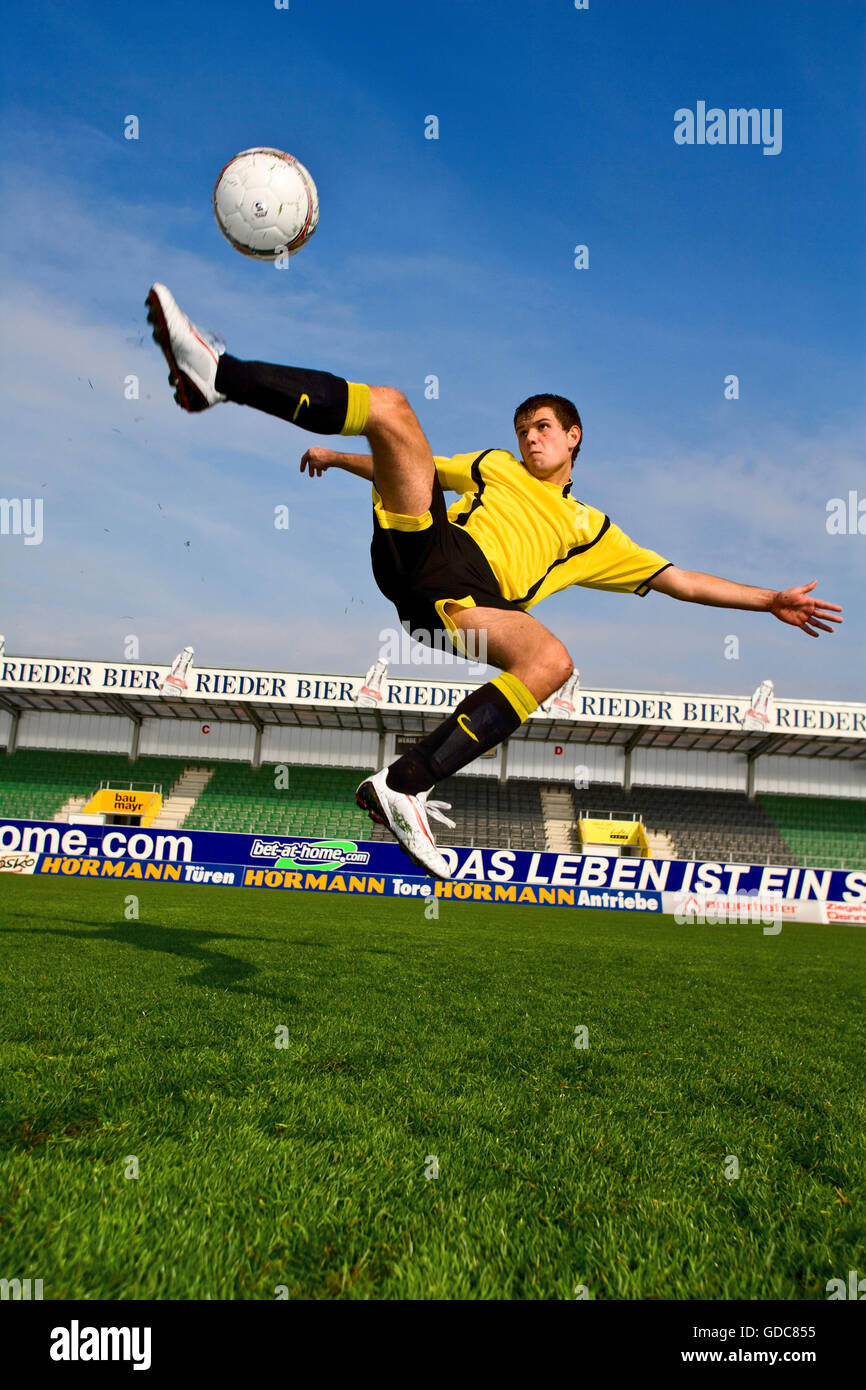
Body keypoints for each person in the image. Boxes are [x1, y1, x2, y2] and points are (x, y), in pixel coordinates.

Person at [145, 283, 844, 878]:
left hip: (462, 607)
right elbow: (409, 467)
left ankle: (403, 784)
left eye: (542, 428)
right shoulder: (491, 466)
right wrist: (336, 455)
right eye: (522, 430)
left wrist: (768, 600)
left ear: (573, 437)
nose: (529, 439)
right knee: (389, 410)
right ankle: (221, 378)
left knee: (552, 660)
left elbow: (681, 581)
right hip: (427, 552)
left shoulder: (592, 531)